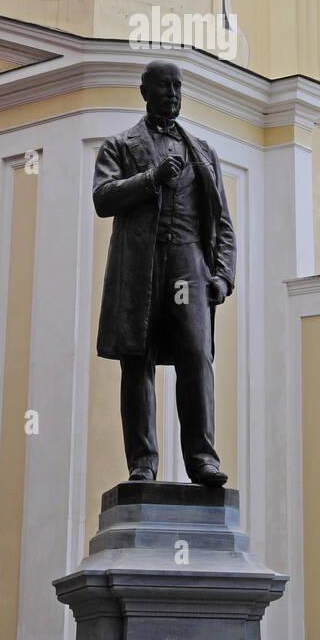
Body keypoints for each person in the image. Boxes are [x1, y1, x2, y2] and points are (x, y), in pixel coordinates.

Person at [93, 60, 236, 487]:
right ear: (144, 91)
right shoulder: (120, 145)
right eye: (163, 86)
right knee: (138, 360)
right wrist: (151, 177)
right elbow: (103, 198)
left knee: (196, 356)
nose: (172, 94)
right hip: (139, 265)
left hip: (189, 265)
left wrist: (223, 276)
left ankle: (202, 459)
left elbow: (223, 223)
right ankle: (142, 462)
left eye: (177, 86)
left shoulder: (203, 151)